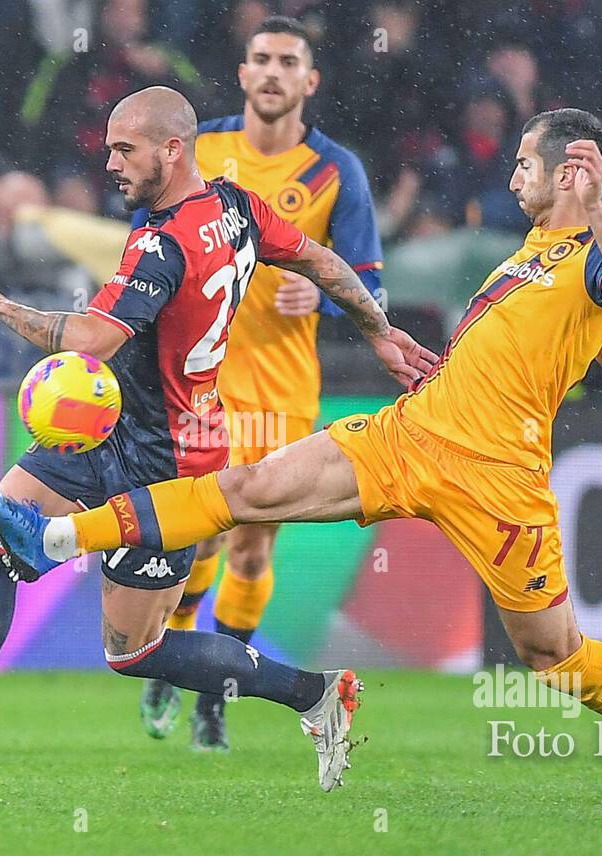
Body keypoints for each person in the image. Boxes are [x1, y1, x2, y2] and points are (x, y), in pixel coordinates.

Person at [0, 109, 602, 804]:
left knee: (554, 655)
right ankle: (47, 537)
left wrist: (598, 215)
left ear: (574, 167)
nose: (514, 174)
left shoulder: (594, 243)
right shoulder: (543, 249)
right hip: (408, 435)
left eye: (527, 163)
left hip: (496, 483)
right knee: (246, 488)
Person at [0, 86, 436, 792]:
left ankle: (313, 694)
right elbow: (322, 260)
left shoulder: (163, 243)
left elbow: (92, 339)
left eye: (125, 149)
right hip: (112, 430)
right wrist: (380, 331)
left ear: (171, 148)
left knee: (133, 652)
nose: (112, 163)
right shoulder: (237, 206)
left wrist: (4, 308)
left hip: (170, 462)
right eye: (108, 149)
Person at [134, 16, 387, 753]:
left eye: (289, 63)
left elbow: (368, 280)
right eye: (261, 60)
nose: (273, 73)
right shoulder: (200, 150)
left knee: (249, 549)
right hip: (193, 383)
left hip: (281, 392)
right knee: (197, 542)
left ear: (310, 83)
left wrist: (325, 296)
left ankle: (216, 694)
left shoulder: (336, 172)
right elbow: (145, 229)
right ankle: (174, 663)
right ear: (243, 75)